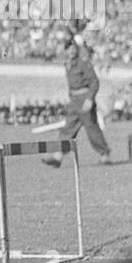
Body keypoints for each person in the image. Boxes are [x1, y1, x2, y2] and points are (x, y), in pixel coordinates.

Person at [42, 25, 112, 167]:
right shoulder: (68, 64)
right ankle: (58, 157)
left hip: (84, 99)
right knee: (68, 129)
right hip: (74, 101)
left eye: (74, 48)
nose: (72, 50)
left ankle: (105, 155)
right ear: (66, 51)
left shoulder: (83, 63)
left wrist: (90, 99)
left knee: (92, 129)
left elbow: (94, 82)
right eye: (69, 48)